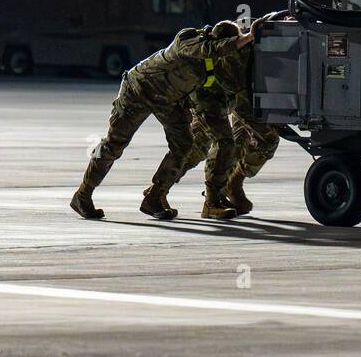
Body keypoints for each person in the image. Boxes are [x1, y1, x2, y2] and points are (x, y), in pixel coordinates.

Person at [69, 18, 266, 220]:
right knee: (115, 144)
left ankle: (155, 197)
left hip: (168, 101)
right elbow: (211, 50)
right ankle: (83, 195)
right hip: (138, 90)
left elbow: (194, 84)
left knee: (184, 144)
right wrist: (248, 37)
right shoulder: (189, 40)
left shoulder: (213, 62)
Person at [172, 32, 281, 218]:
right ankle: (161, 188)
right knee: (205, 144)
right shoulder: (227, 48)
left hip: (240, 92)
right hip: (215, 96)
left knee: (243, 142)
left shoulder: (251, 47)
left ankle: (231, 184)